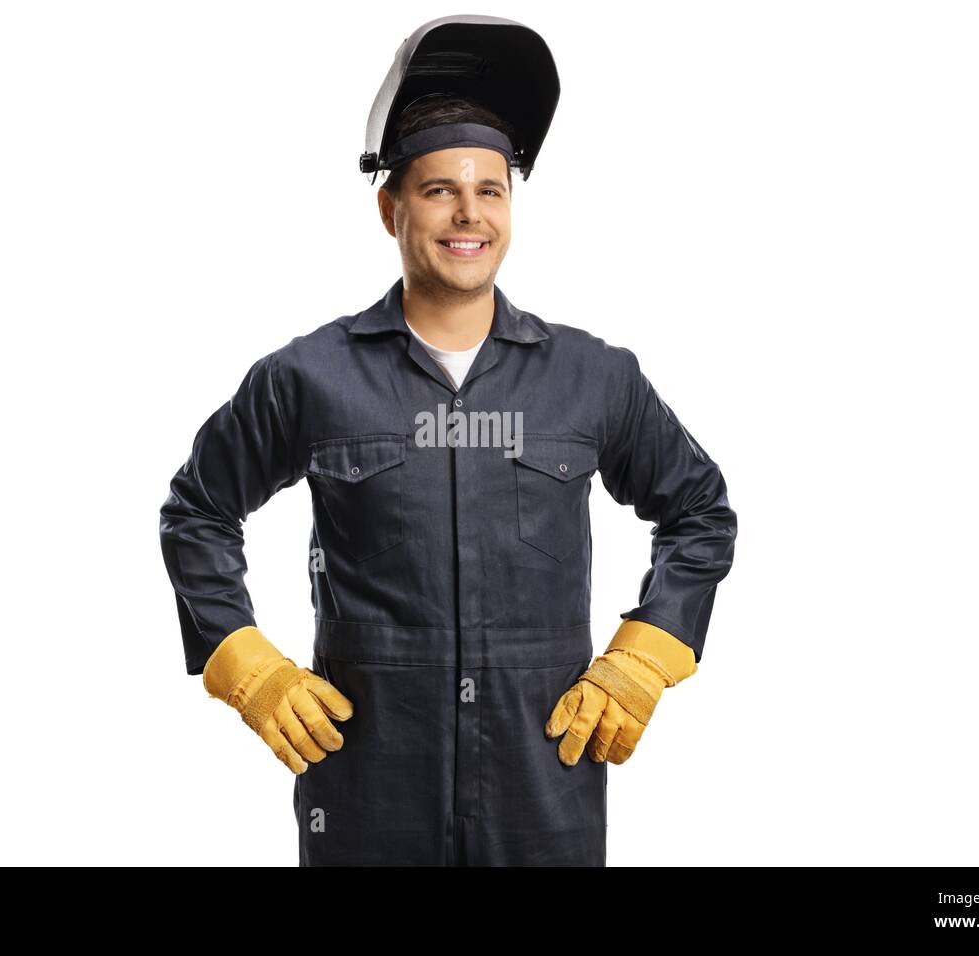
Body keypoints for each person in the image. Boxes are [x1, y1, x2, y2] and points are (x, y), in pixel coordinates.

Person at [159, 18, 737, 867]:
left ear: (510, 207)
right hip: (365, 799)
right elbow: (198, 510)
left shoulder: (595, 377)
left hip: (545, 791)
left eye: (490, 191)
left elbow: (699, 509)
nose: (469, 213)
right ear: (391, 207)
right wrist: (247, 665)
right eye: (438, 190)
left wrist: (646, 656)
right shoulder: (308, 377)